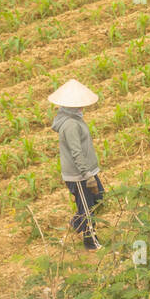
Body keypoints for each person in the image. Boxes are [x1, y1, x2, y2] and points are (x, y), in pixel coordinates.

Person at [48, 78, 104, 250]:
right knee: (87, 208)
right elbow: (76, 151)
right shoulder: (71, 124)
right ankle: (91, 243)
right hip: (79, 175)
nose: (82, 107)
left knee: (99, 198)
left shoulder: (74, 118)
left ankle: (75, 223)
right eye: (79, 104)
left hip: (86, 171)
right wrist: (88, 176)